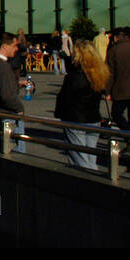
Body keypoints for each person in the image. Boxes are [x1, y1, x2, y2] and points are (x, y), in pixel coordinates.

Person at [54, 41, 107, 171]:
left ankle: (88, 184)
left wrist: (59, 113)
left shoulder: (74, 77)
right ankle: (95, 179)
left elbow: (64, 98)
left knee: (79, 157)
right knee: (90, 155)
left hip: (76, 119)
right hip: (93, 117)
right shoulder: (99, 74)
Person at [105, 28, 130, 131]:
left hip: (120, 87)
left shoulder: (113, 50)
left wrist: (107, 91)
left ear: (115, 38)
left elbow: (110, 72)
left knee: (116, 113)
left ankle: (128, 132)